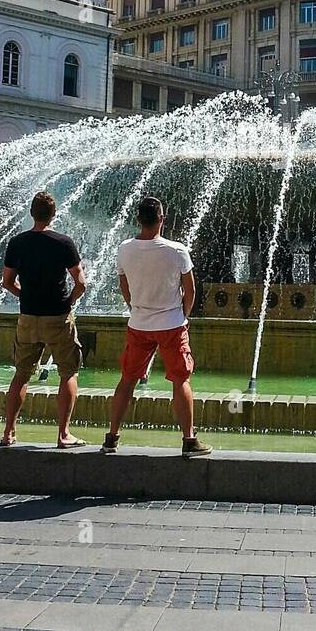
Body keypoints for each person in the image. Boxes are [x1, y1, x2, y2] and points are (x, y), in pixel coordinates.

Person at [103, 196, 211, 458]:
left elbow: (124, 285)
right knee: (180, 379)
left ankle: (111, 438)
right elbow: (190, 289)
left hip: (139, 324)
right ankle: (188, 439)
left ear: (138, 219)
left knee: (127, 380)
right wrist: (182, 314)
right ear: (162, 219)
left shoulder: (125, 249)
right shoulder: (176, 250)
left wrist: (135, 308)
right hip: (172, 324)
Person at [0, 190, 87, 449]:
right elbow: (80, 283)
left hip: (27, 317)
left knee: (21, 374)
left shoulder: (17, 243)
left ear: (31, 213)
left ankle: (8, 433)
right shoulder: (63, 243)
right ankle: (63, 434)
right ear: (54, 214)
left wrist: (23, 295)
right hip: (57, 318)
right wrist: (68, 301)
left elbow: (6, 282)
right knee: (68, 372)